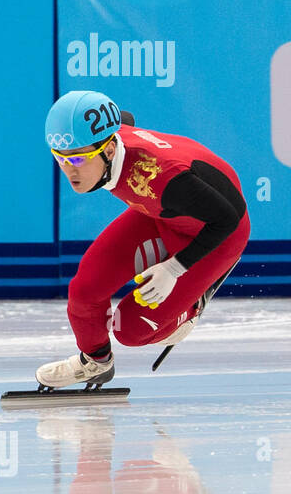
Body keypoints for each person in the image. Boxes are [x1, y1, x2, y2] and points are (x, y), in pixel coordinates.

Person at [37, 90, 249, 388]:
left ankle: (192, 306)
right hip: (162, 215)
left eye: (80, 160)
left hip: (218, 233)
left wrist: (175, 268)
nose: (70, 170)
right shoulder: (109, 136)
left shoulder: (163, 177)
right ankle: (96, 363)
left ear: (110, 151)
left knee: (131, 329)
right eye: (60, 159)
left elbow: (229, 217)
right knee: (85, 291)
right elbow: (124, 119)